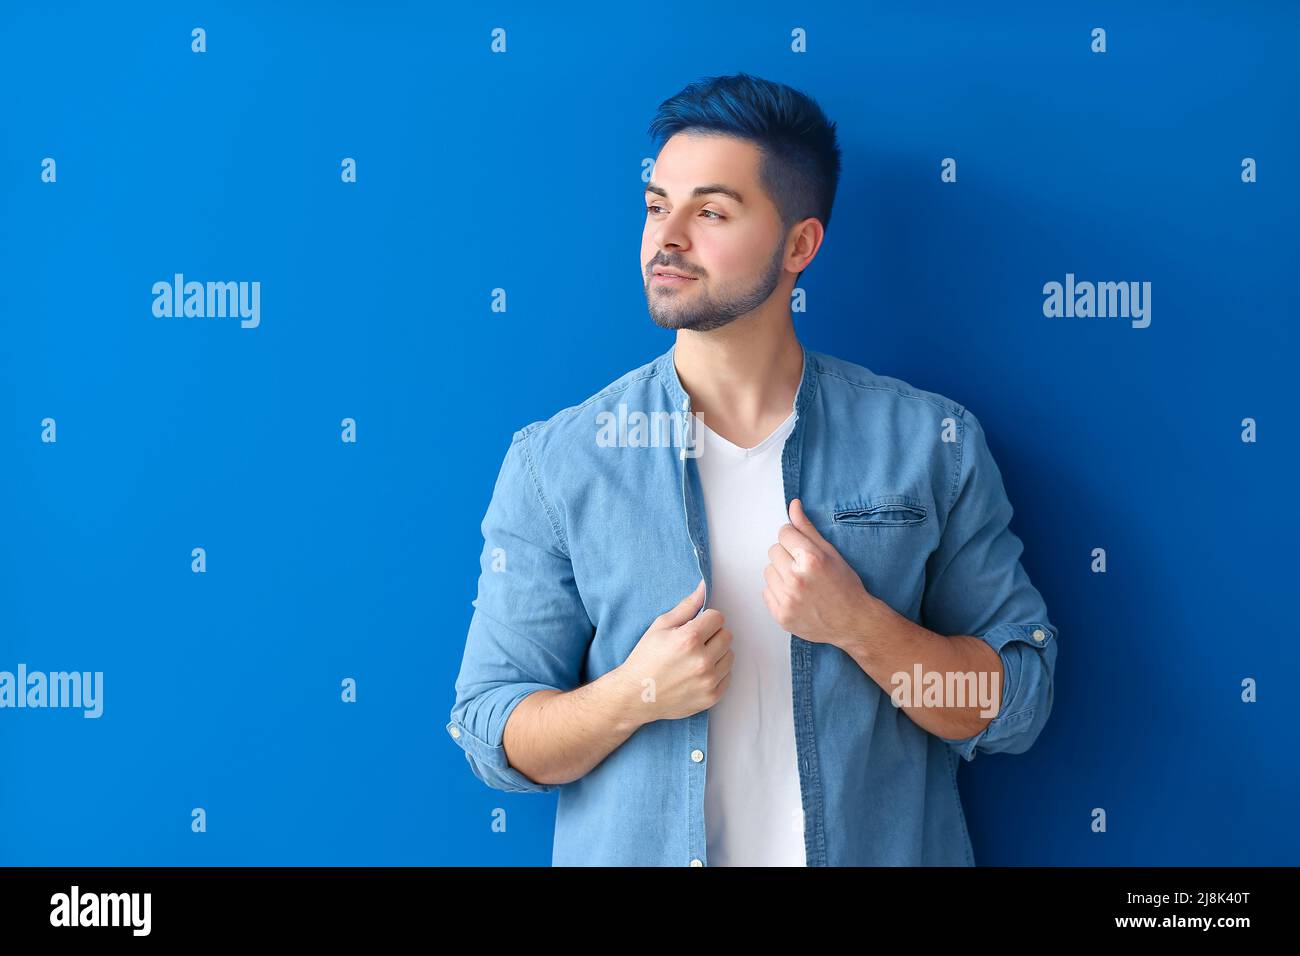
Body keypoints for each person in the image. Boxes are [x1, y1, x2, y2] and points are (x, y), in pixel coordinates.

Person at [446, 72, 1058, 866]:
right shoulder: (557, 464)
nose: (667, 239)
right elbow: (492, 732)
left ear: (799, 244)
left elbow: (1015, 702)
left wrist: (863, 628)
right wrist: (636, 693)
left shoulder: (930, 441)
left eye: (711, 211)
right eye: (657, 206)